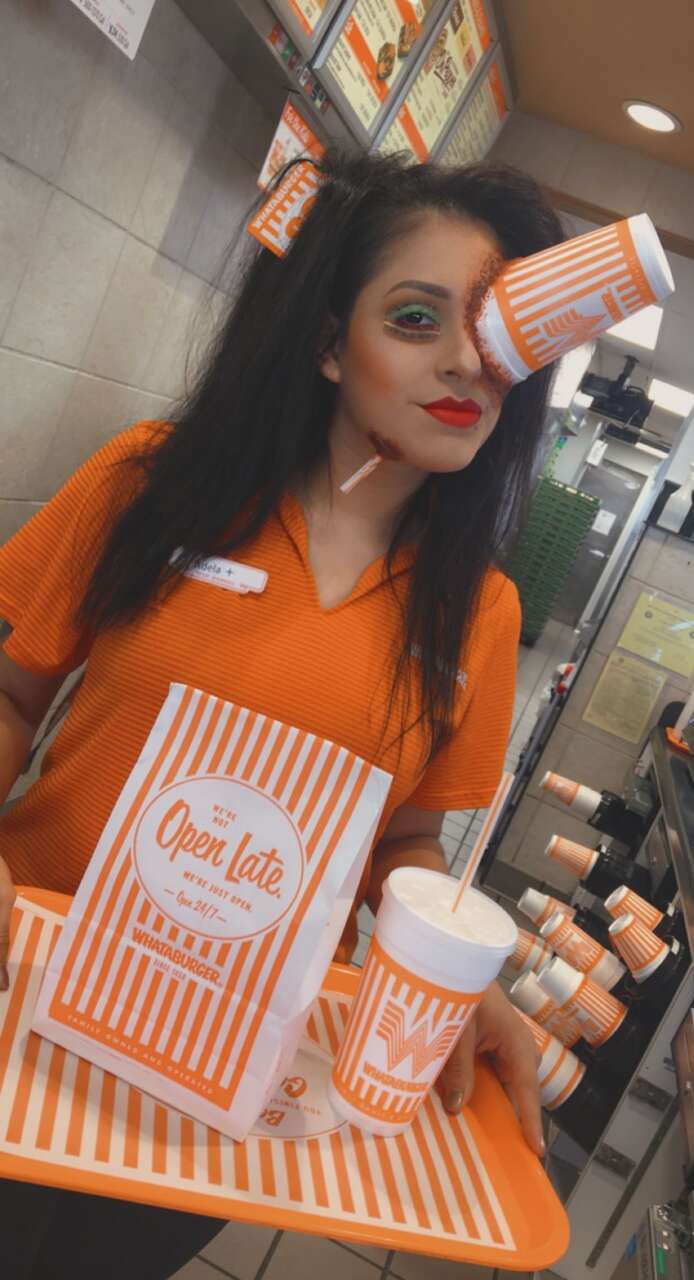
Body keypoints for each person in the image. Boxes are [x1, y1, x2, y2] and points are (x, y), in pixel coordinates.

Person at [0, 151, 563, 1279]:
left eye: (497, 335)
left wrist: (454, 981)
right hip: (19, 988)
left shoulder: (480, 611)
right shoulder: (148, 485)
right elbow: (12, 689)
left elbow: (403, 838)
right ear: (325, 341)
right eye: (416, 318)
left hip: (215, 1072)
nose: (466, 361)